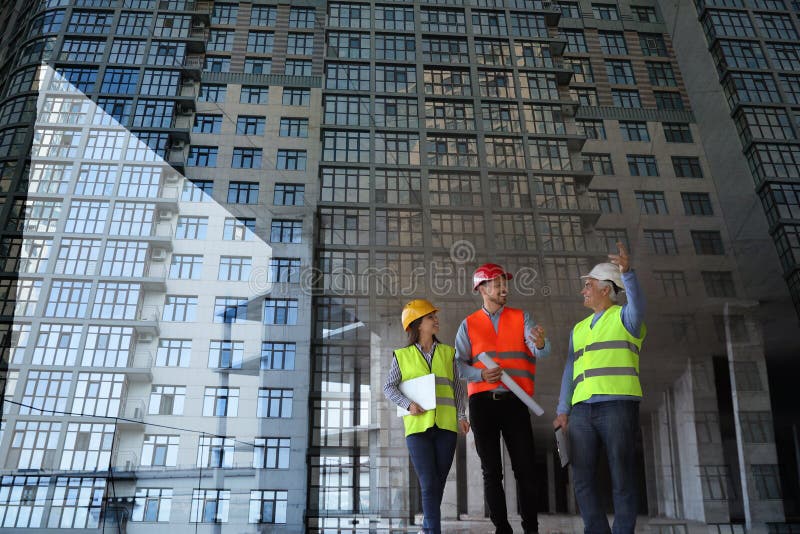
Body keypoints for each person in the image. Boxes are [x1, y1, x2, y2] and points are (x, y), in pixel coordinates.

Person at [553, 242, 646, 534]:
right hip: (581, 411)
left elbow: (639, 305)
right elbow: (570, 370)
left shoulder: (626, 318)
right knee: (581, 478)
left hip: (618, 405)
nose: (584, 290)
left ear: (606, 289)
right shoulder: (578, 329)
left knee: (622, 475)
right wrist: (562, 410)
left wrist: (627, 273)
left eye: (589, 285)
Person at [455, 263, 550, 534]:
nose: (504, 288)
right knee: (491, 472)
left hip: (515, 402)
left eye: (504, 283)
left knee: (525, 468)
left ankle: (531, 528)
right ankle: (502, 528)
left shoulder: (522, 317)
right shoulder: (468, 324)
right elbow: (458, 365)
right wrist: (481, 374)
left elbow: (539, 351)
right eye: (497, 284)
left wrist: (541, 343)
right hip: (482, 404)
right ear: (482, 289)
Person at [384, 298, 470, 534]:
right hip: (417, 430)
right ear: (417, 324)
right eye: (430, 317)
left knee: (437, 483)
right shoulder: (401, 356)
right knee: (429, 483)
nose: (436, 320)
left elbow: (457, 387)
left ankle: (426, 526)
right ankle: (433, 531)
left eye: (434, 316)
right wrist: (408, 403)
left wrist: (461, 414)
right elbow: (389, 387)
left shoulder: (447, 352)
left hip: (445, 428)